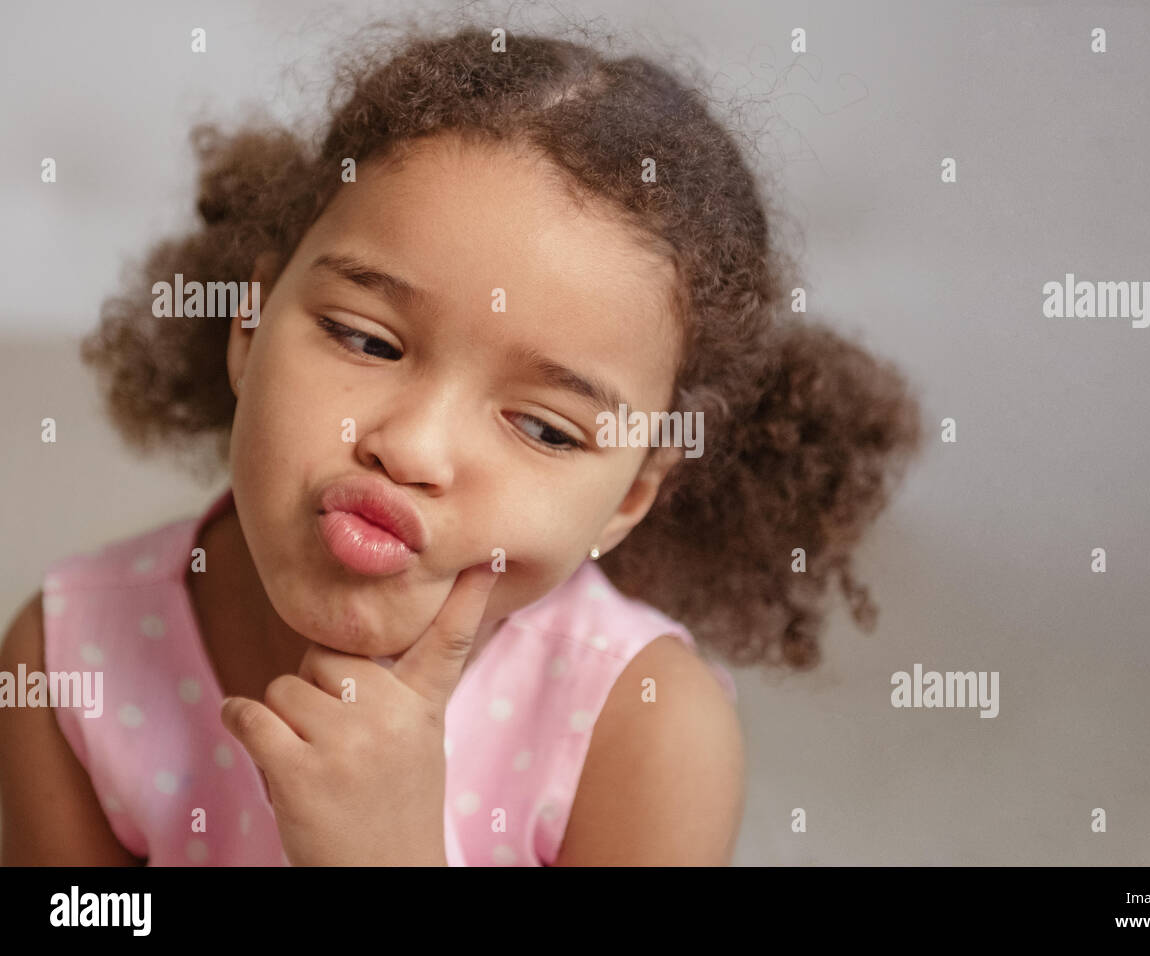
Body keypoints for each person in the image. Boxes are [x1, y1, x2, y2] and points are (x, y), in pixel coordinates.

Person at [0, 21, 921, 865]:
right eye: (366, 339)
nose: (413, 449)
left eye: (545, 427)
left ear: (633, 493)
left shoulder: (640, 728)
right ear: (250, 322)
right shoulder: (66, 662)